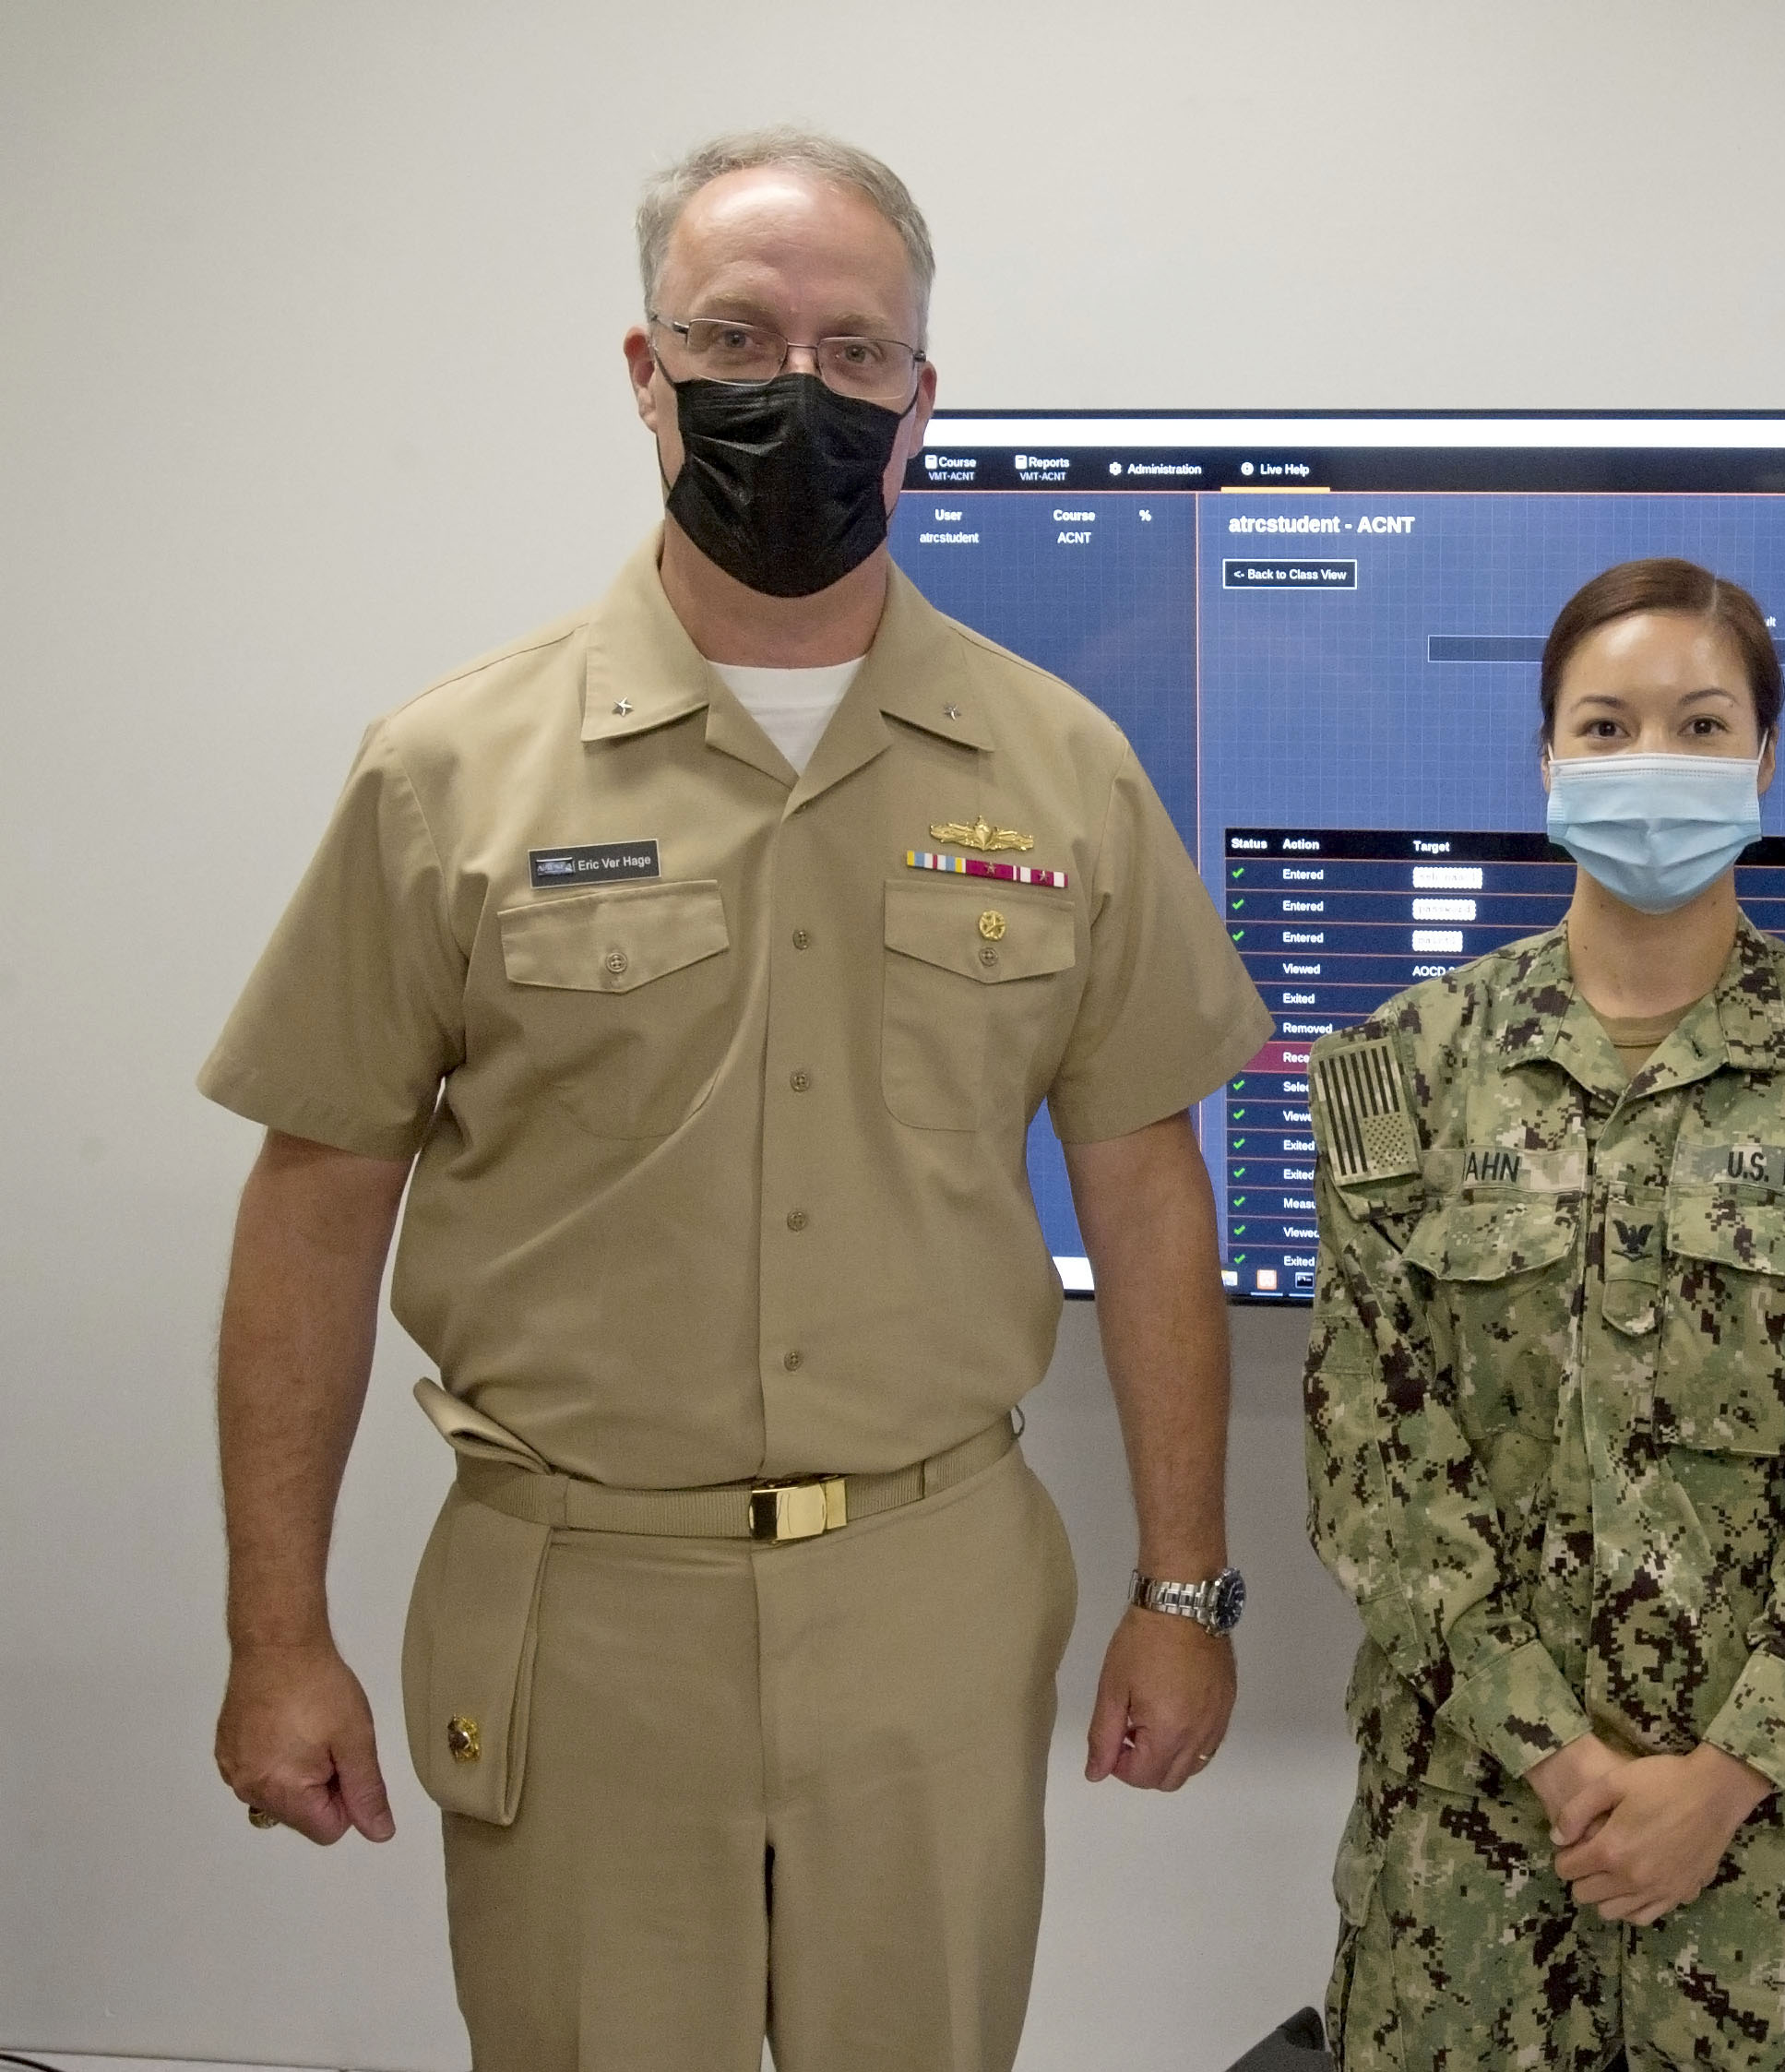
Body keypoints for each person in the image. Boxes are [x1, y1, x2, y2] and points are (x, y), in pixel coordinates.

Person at [200, 127, 1273, 2066]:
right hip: (580, 1610)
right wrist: (275, 1636)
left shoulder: (1067, 771)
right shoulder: (449, 774)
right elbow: (313, 1204)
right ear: (647, 370)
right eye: (736, 336)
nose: (799, 387)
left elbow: (1146, 1187)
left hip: (931, 1603)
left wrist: (1182, 1587)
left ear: (921, 401)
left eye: (856, 351)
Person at [1302, 557, 1785, 2069]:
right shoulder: (1403, 1070)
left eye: (1700, 724)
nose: (1651, 762)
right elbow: (1375, 1468)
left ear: (1765, 757)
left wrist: (1725, 1772)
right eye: (1606, 727)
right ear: (1548, 759)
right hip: (1476, 1847)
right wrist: (1562, 1764)